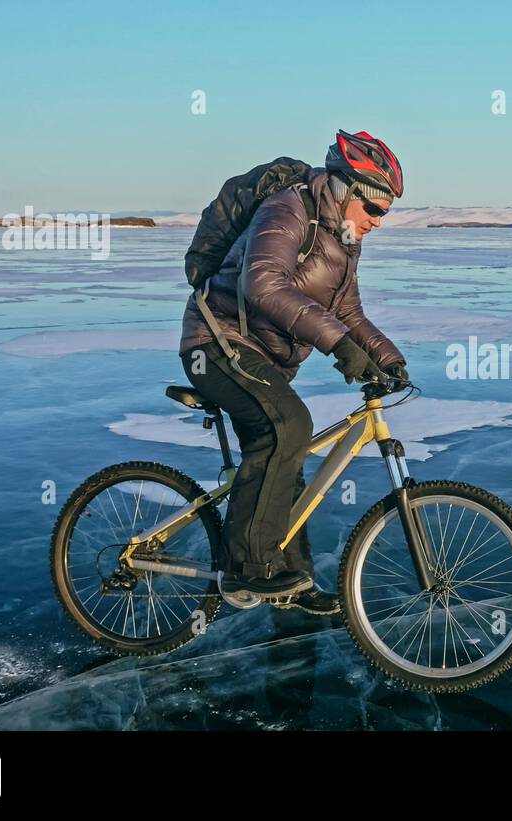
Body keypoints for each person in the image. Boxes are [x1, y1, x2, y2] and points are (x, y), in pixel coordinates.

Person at [177, 130, 410, 615]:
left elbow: (349, 311)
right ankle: (247, 568)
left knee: (288, 463)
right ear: (346, 189)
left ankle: (292, 580)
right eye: (375, 208)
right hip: (218, 343)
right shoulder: (289, 209)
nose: (379, 221)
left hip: (262, 359)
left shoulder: (343, 243)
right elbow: (262, 283)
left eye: (387, 211)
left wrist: (386, 356)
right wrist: (340, 346)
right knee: (288, 427)